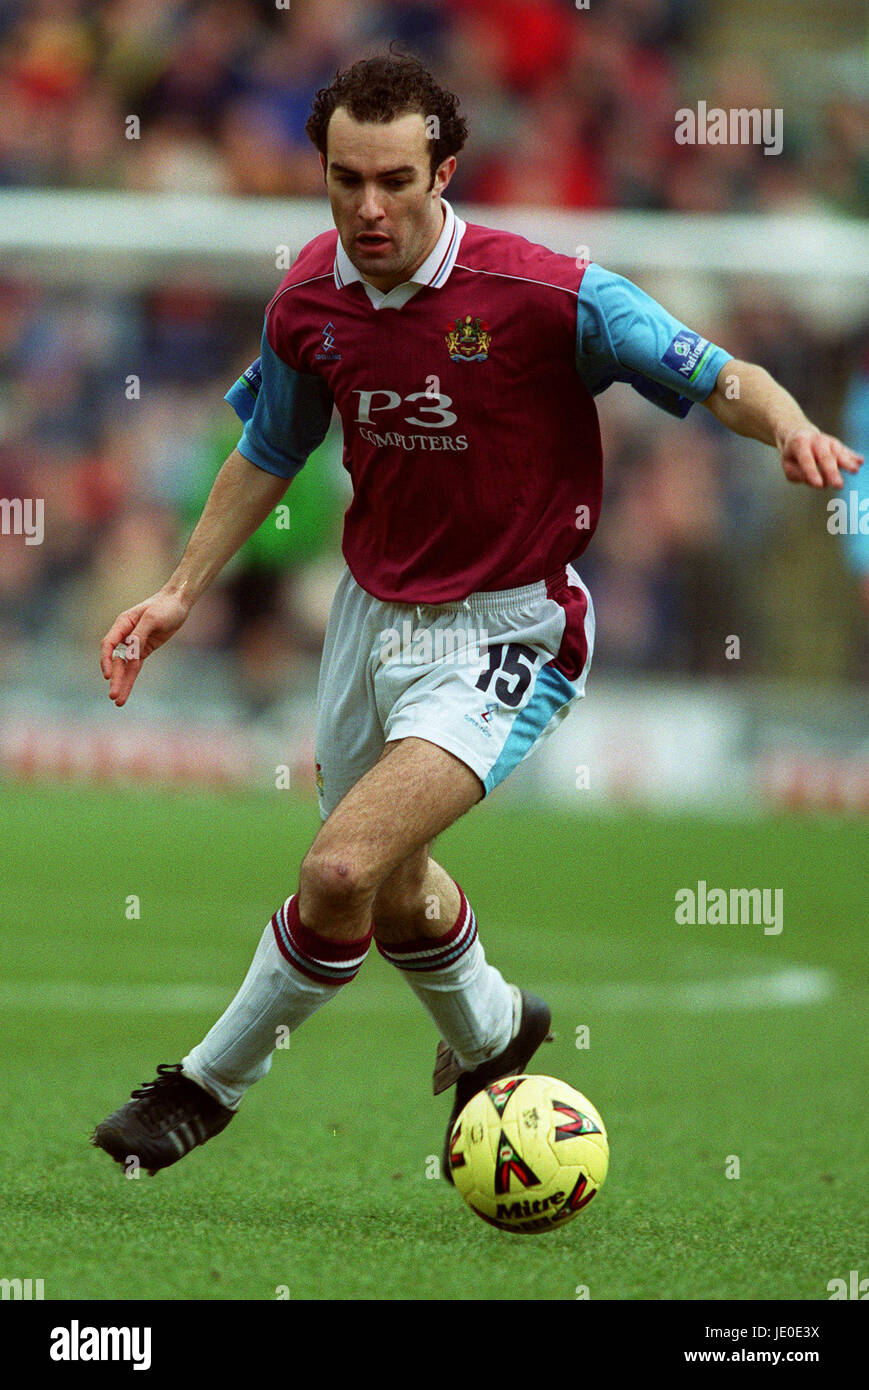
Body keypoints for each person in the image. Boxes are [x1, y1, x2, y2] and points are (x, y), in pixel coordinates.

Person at [92, 55, 862, 1181]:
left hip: (508, 624)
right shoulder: (310, 295)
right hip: (368, 620)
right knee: (397, 887)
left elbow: (715, 372)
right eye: (343, 179)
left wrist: (790, 426)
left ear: (442, 171)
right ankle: (494, 1032)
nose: (367, 207)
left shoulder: (548, 293)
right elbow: (270, 446)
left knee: (343, 870)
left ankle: (203, 1088)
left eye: (393, 179)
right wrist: (180, 587)